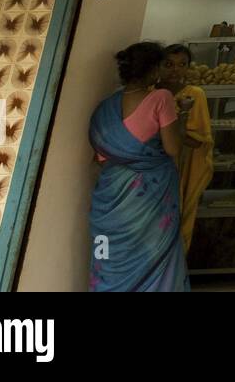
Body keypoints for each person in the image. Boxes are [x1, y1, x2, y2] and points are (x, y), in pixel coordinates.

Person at [87, 41, 188, 292]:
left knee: (114, 257)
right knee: (155, 254)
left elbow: (98, 158)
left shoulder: (105, 107)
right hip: (150, 196)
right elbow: (173, 148)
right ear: (154, 70)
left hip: (112, 195)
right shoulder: (161, 98)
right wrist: (182, 115)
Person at [157, 44, 213, 254]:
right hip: (154, 172)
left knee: (180, 223)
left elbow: (200, 140)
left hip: (183, 171)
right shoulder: (152, 95)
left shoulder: (194, 95)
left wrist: (174, 134)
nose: (175, 70)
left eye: (182, 65)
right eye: (169, 64)